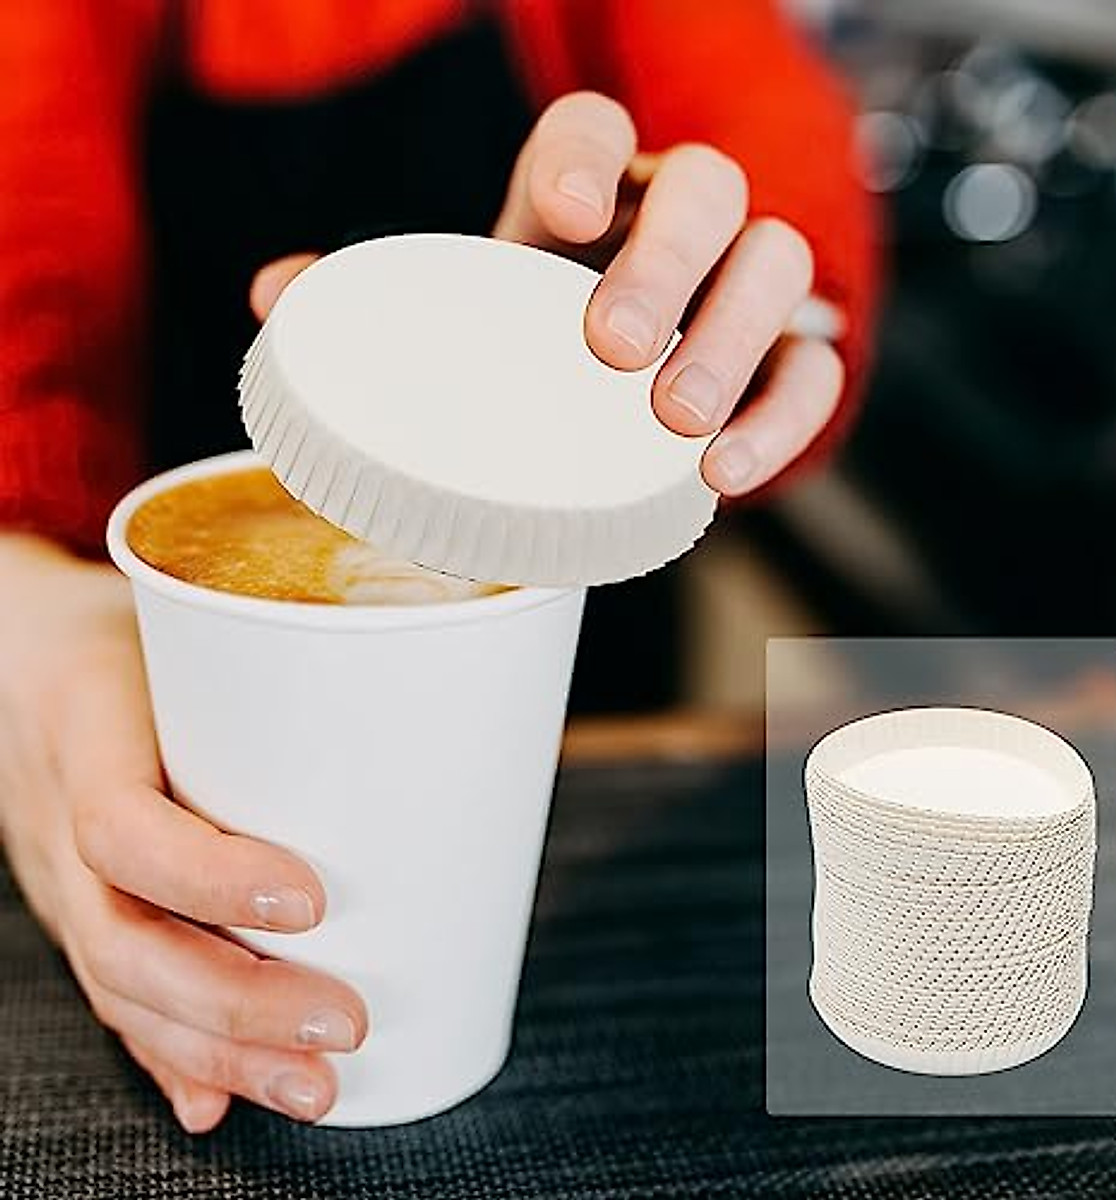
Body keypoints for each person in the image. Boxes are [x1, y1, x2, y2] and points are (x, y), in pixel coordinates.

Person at [0, 1, 878, 1132]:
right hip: (117, 688)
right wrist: (19, 593)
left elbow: (763, 124)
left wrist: (717, 310)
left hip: (598, 764)